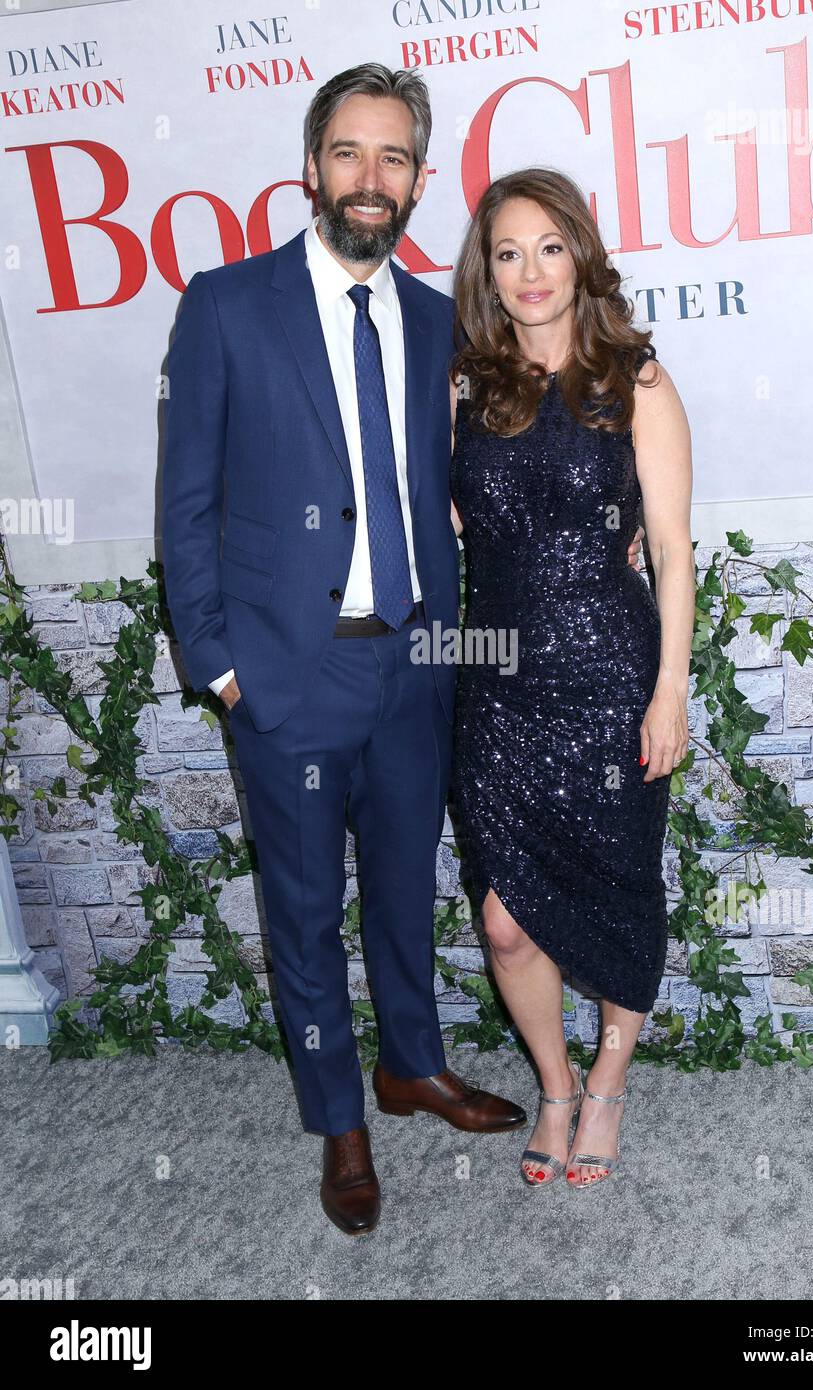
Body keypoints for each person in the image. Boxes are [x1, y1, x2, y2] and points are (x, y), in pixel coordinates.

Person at [161, 64, 536, 1238]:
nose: (369, 178)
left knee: (406, 889)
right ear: (310, 168)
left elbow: (462, 479)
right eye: (348, 153)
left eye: (393, 158)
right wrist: (221, 666)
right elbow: (186, 503)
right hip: (290, 673)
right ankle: (340, 1122)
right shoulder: (227, 306)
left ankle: (411, 1065)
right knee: (306, 911)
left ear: (418, 181)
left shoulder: (434, 321)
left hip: (413, 666)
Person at [448, 168, 694, 1190]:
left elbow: (670, 548)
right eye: (508, 253)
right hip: (497, 679)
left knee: (619, 889)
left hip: (609, 672)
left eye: (549, 247)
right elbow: (446, 528)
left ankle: (608, 1081)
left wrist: (669, 688)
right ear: (487, 271)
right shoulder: (466, 389)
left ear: (581, 256)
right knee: (505, 919)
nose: (531, 271)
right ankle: (554, 1085)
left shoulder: (635, 380)